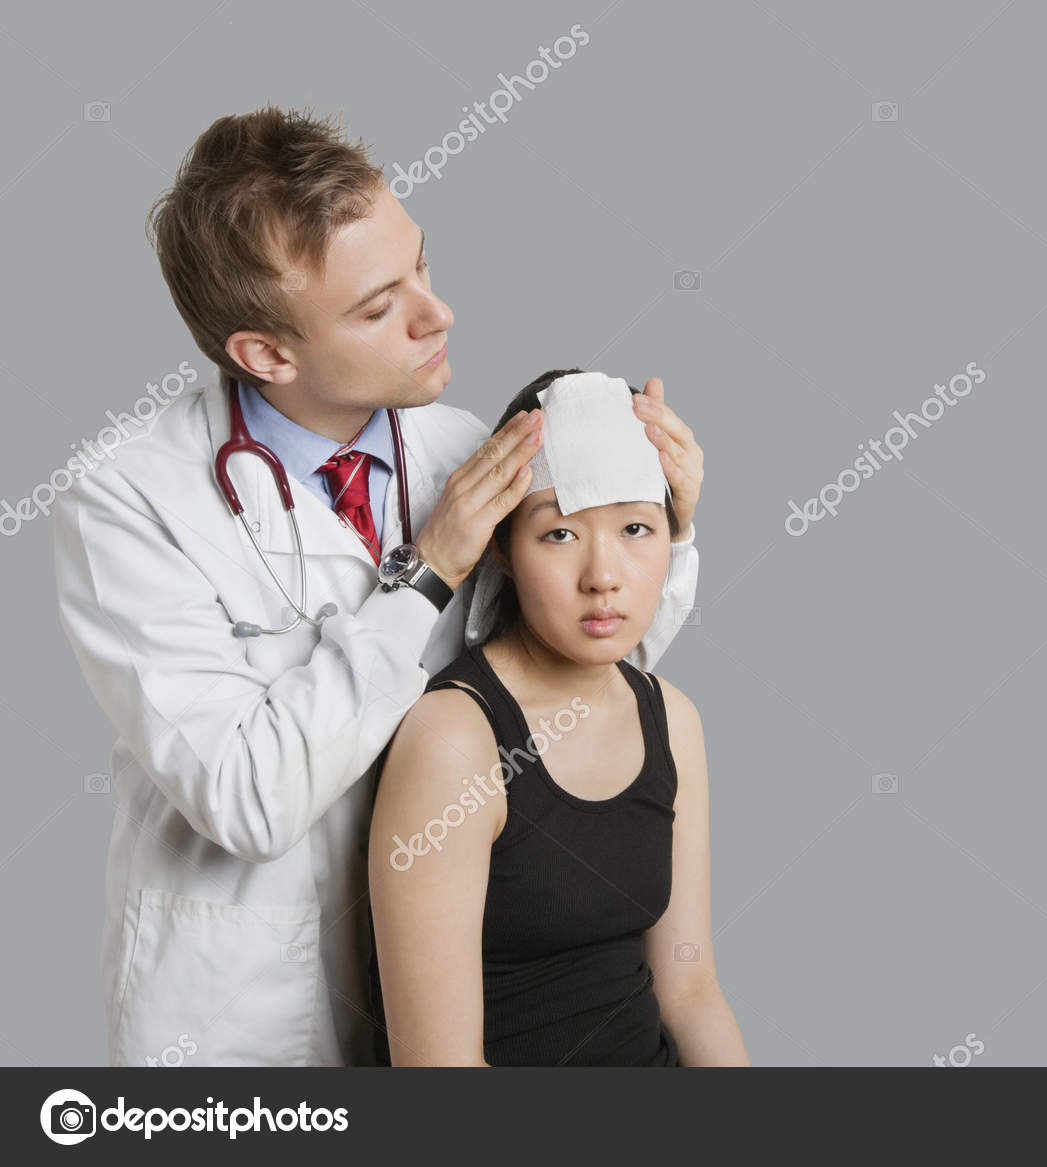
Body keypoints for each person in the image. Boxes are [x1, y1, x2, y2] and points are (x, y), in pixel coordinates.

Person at [50, 107, 706, 1066]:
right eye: (376, 307)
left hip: (453, 998)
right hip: (245, 1022)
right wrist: (428, 574)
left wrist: (671, 529)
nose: (438, 316)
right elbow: (246, 799)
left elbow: (580, 685)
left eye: (422, 269)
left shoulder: (466, 452)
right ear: (264, 354)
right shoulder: (126, 502)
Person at [368, 370, 747, 1067]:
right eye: (561, 533)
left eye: (637, 527)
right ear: (505, 552)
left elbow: (691, 992)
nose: (604, 574)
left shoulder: (671, 719)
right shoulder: (455, 741)